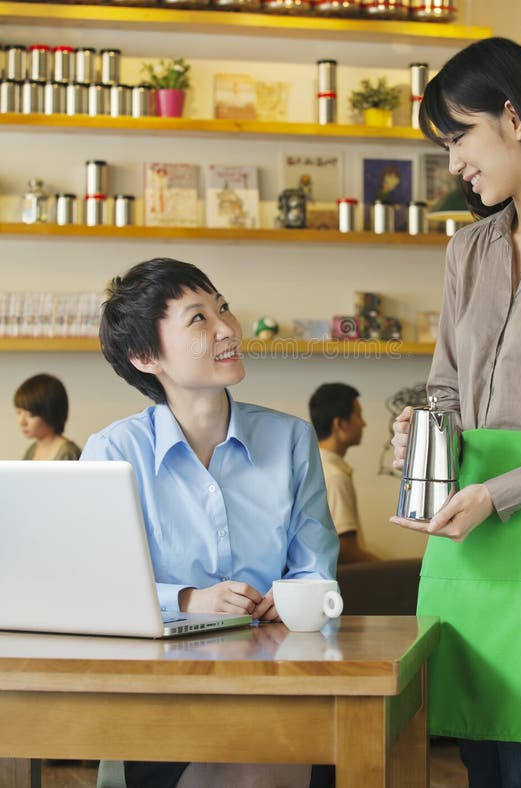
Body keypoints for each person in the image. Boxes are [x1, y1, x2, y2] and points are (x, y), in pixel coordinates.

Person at [390, 36, 521, 787]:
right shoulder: (467, 250)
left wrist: (500, 492)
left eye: (459, 138)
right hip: (467, 536)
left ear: (514, 118)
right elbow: (446, 388)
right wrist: (423, 444)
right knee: (478, 760)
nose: (454, 164)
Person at [81, 257, 338, 788]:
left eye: (223, 308)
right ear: (145, 357)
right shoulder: (113, 452)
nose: (227, 329)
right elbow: (96, 591)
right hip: (162, 699)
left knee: (276, 751)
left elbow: (316, 570)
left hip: (279, 687)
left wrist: (294, 597)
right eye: (199, 318)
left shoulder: (291, 441)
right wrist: (188, 600)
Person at [309, 382, 379, 564]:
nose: (364, 423)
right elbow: (345, 550)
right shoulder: (334, 477)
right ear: (340, 424)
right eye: (359, 415)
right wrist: (386, 567)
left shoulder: (311, 465)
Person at [14, 373, 81, 461]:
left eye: (31, 415)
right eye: (19, 412)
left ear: (51, 412)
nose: (22, 422)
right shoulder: (31, 450)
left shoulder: (69, 453)